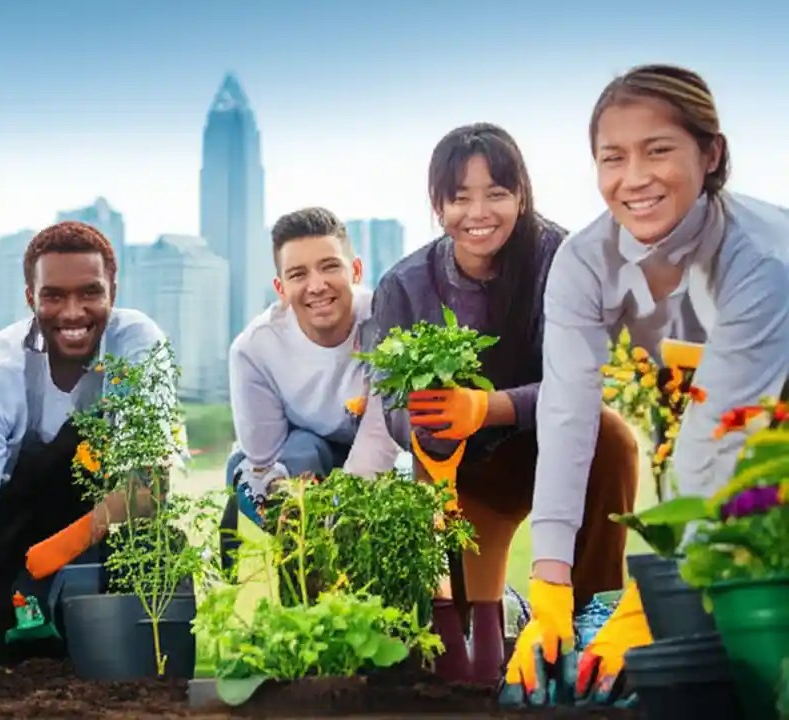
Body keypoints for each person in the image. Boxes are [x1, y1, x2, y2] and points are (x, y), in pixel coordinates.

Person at [503, 64, 789, 707]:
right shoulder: (585, 262)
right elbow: (567, 415)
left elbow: (718, 443)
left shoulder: (759, 262)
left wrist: (647, 605)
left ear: (710, 154)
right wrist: (550, 585)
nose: (633, 178)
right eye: (613, 157)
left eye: (658, 150)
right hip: (713, 402)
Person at [366, 123, 639, 686]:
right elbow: (392, 404)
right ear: (438, 205)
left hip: (553, 451)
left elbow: (581, 381)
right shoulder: (404, 287)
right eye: (459, 197)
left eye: (495, 193)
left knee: (612, 435)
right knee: (462, 656)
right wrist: (429, 422)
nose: (478, 213)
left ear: (521, 195)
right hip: (460, 470)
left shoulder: (561, 260)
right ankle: (495, 616)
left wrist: (487, 407)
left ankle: (591, 609)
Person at [0, 221, 169, 670]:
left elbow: (149, 487)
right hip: (3, 530)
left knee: (155, 558)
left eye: (90, 293)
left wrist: (57, 551)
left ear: (113, 292)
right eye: (53, 296)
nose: (73, 313)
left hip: (101, 524)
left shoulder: (138, 345)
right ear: (30, 298)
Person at [219, 206, 400, 567]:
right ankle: (303, 576)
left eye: (330, 267)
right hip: (297, 454)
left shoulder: (387, 323)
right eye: (298, 274)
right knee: (297, 453)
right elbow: (264, 459)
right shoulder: (254, 349)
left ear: (356, 271)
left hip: (371, 450)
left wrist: (346, 519)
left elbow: (381, 436)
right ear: (281, 289)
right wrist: (298, 515)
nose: (316, 286)